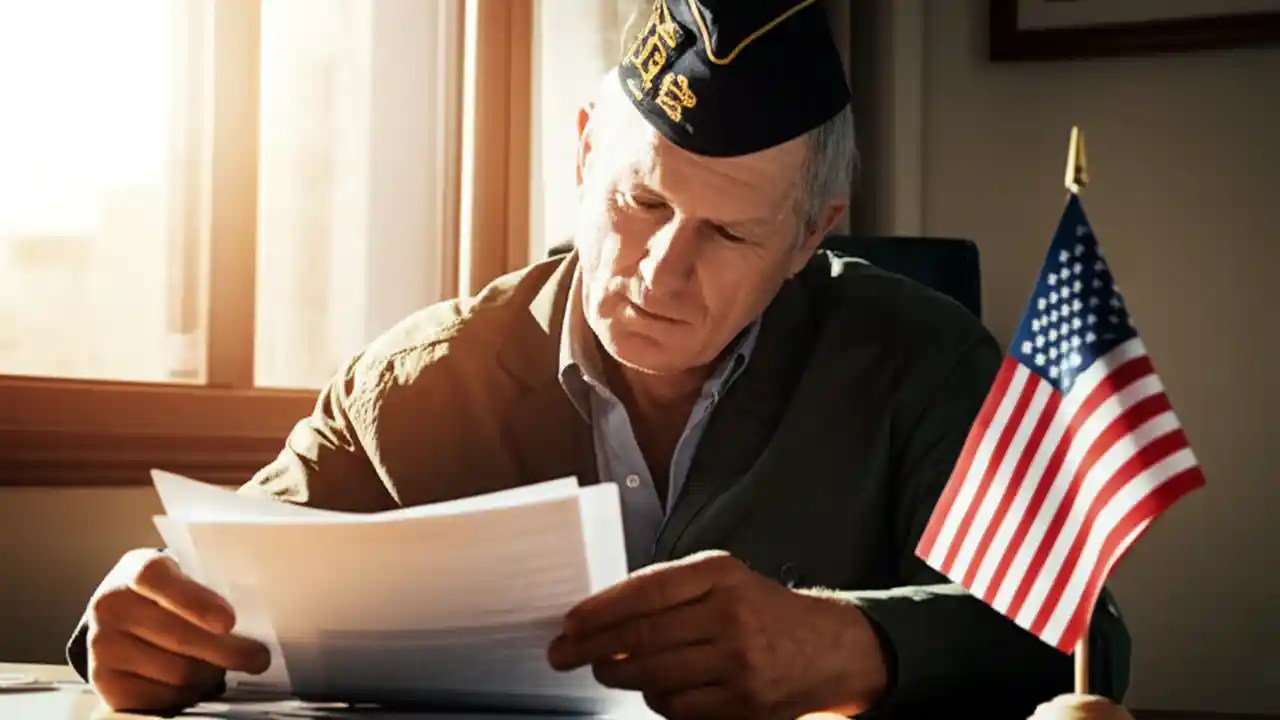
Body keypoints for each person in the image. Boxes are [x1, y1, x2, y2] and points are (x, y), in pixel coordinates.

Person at [67, 1, 1131, 717]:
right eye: (638, 201)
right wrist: (130, 626)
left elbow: (1083, 637)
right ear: (583, 149)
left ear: (813, 236)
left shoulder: (920, 361)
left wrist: (840, 643)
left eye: (727, 235)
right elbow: (210, 582)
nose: (661, 275)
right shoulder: (409, 383)